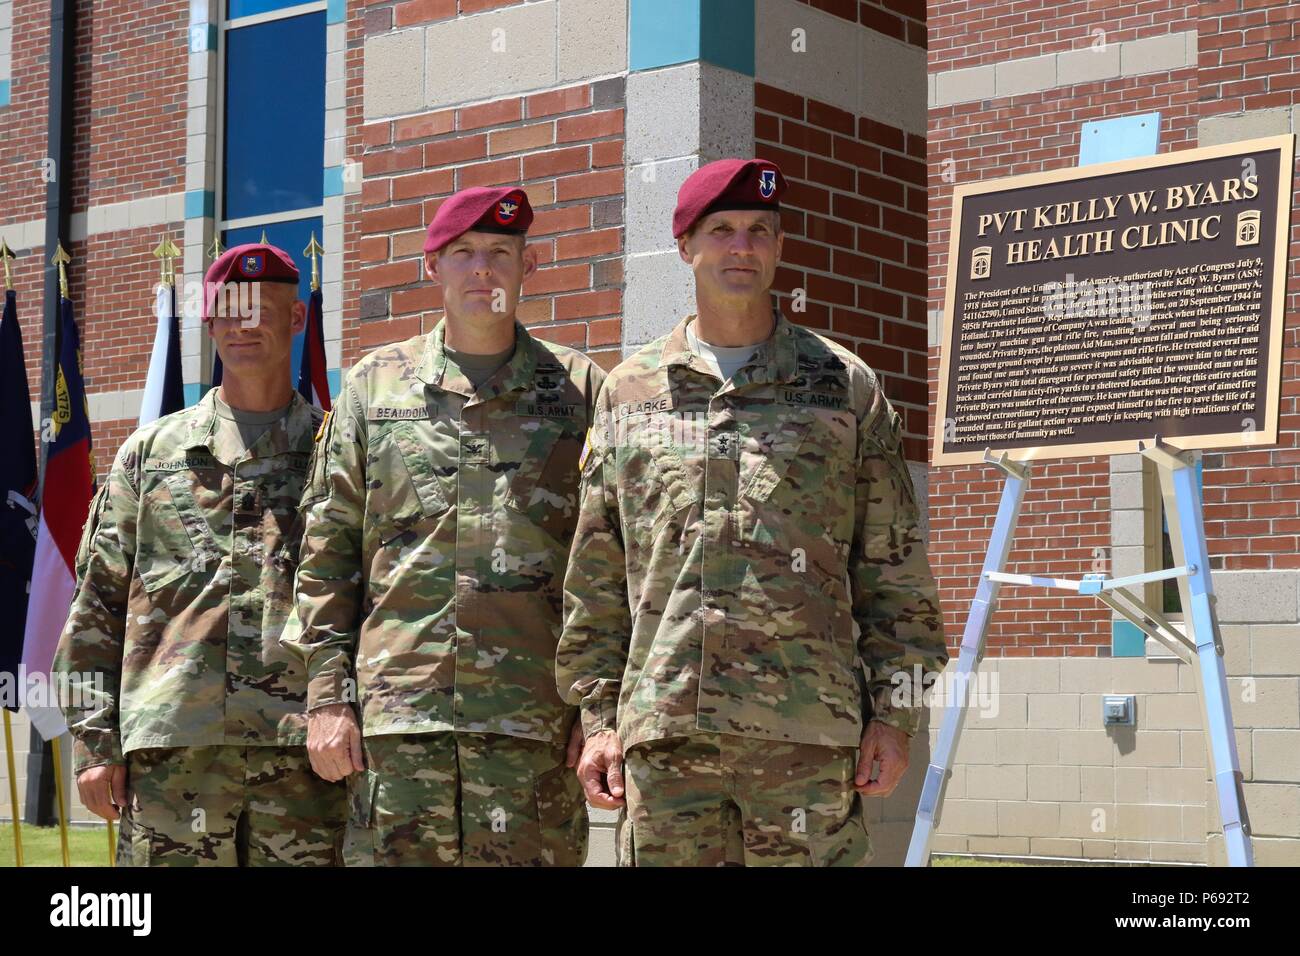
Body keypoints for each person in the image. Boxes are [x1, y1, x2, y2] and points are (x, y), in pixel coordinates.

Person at [556, 158, 949, 866]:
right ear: (685, 246)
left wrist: (895, 717)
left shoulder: (844, 389)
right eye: (724, 230)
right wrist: (599, 717)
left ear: (778, 247)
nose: (743, 248)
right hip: (668, 745)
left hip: (807, 741)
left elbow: (894, 573)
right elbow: (596, 574)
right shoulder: (630, 393)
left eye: (761, 232)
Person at [283, 186, 604, 866]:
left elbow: (612, 563)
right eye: (463, 253)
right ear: (433, 266)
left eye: (499, 253)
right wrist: (327, 700)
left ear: (529, 265)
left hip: (534, 731)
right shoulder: (375, 387)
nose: (482, 270)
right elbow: (327, 554)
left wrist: (600, 711)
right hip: (399, 732)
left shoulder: (581, 391)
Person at [54, 243, 347, 866]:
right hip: (170, 758)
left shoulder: (338, 453)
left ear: (297, 319)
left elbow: (365, 601)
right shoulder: (149, 456)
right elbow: (95, 608)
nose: (244, 326)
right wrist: (94, 744)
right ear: (209, 323)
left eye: (262, 308)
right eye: (227, 311)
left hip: (305, 761)